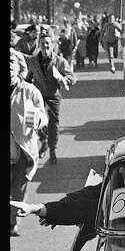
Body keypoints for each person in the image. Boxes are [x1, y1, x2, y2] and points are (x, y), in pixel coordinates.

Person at [9, 48, 47, 236]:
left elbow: (42, 115)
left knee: (17, 190)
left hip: (23, 150)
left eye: (11, 62)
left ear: (18, 67)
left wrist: (37, 119)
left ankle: (12, 223)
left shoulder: (30, 91)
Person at [24, 33, 75, 165]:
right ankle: (44, 142)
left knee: (53, 123)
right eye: (42, 44)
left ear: (52, 45)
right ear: (39, 46)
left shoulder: (60, 61)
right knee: (35, 121)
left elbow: (72, 78)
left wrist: (64, 79)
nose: (45, 46)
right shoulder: (33, 61)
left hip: (53, 96)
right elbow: (28, 79)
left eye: (47, 43)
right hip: (38, 96)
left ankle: (53, 150)